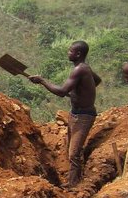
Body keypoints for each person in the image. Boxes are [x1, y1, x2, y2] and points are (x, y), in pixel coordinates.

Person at [28, 41, 101, 186]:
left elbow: (61, 92)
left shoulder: (79, 69)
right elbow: (97, 80)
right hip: (75, 113)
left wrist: (42, 80)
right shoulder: (85, 68)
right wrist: (80, 93)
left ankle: (74, 185)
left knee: (74, 152)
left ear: (78, 54)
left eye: (70, 51)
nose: (68, 53)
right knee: (71, 149)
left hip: (84, 116)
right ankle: (73, 180)